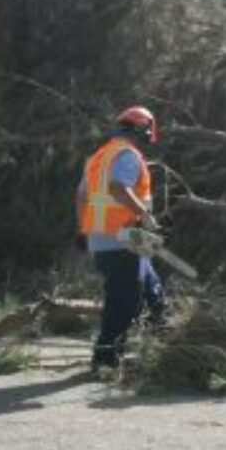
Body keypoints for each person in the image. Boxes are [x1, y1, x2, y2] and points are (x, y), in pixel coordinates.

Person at [77, 106, 168, 371]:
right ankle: (105, 357)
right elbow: (118, 187)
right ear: (143, 130)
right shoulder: (128, 155)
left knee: (150, 284)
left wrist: (83, 230)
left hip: (107, 237)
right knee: (124, 300)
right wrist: (145, 215)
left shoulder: (99, 156)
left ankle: (160, 328)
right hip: (121, 238)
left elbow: (81, 196)